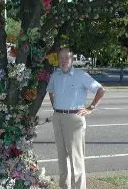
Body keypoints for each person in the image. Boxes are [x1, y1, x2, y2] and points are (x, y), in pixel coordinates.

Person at [46, 47, 105, 189]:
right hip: (58, 117)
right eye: (61, 58)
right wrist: (56, 108)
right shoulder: (55, 76)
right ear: (58, 60)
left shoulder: (81, 75)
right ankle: (65, 186)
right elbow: (51, 92)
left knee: (76, 159)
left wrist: (91, 107)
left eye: (67, 58)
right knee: (62, 157)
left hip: (74, 119)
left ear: (72, 60)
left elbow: (100, 90)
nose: (64, 61)